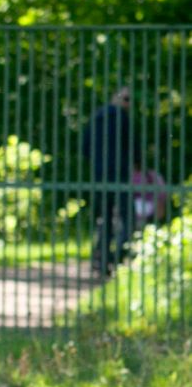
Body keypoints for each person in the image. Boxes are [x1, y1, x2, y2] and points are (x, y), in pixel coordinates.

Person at [81, 86, 136, 275]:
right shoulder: (123, 119)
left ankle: (101, 259)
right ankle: (115, 256)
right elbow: (132, 147)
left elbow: (85, 147)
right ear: (116, 98)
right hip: (119, 176)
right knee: (128, 217)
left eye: (130, 99)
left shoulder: (96, 118)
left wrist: (98, 163)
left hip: (99, 175)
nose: (128, 103)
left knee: (104, 217)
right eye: (126, 99)